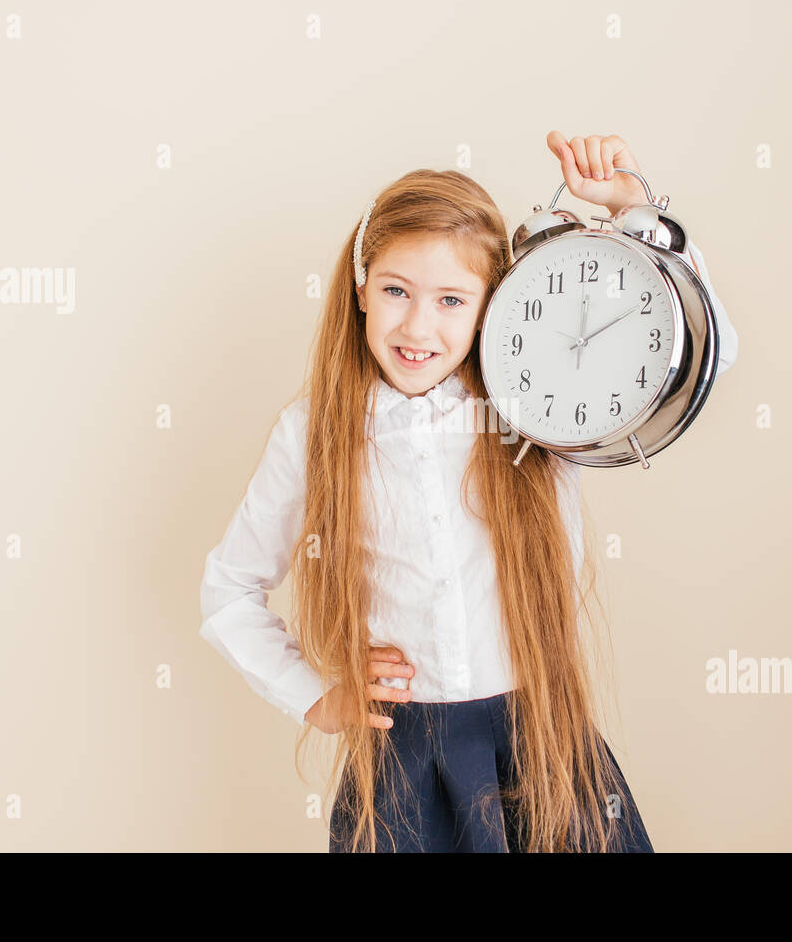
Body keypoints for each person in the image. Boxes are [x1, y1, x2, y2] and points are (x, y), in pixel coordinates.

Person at [199, 132, 738, 852]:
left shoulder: (538, 403)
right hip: (406, 770)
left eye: (452, 299)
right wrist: (315, 697)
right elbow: (228, 590)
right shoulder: (313, 432)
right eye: (396, 291)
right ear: (361, 287)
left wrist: (640, 217)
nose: (418, 326)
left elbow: (711, 356)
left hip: (543, 746)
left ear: (492, 309)